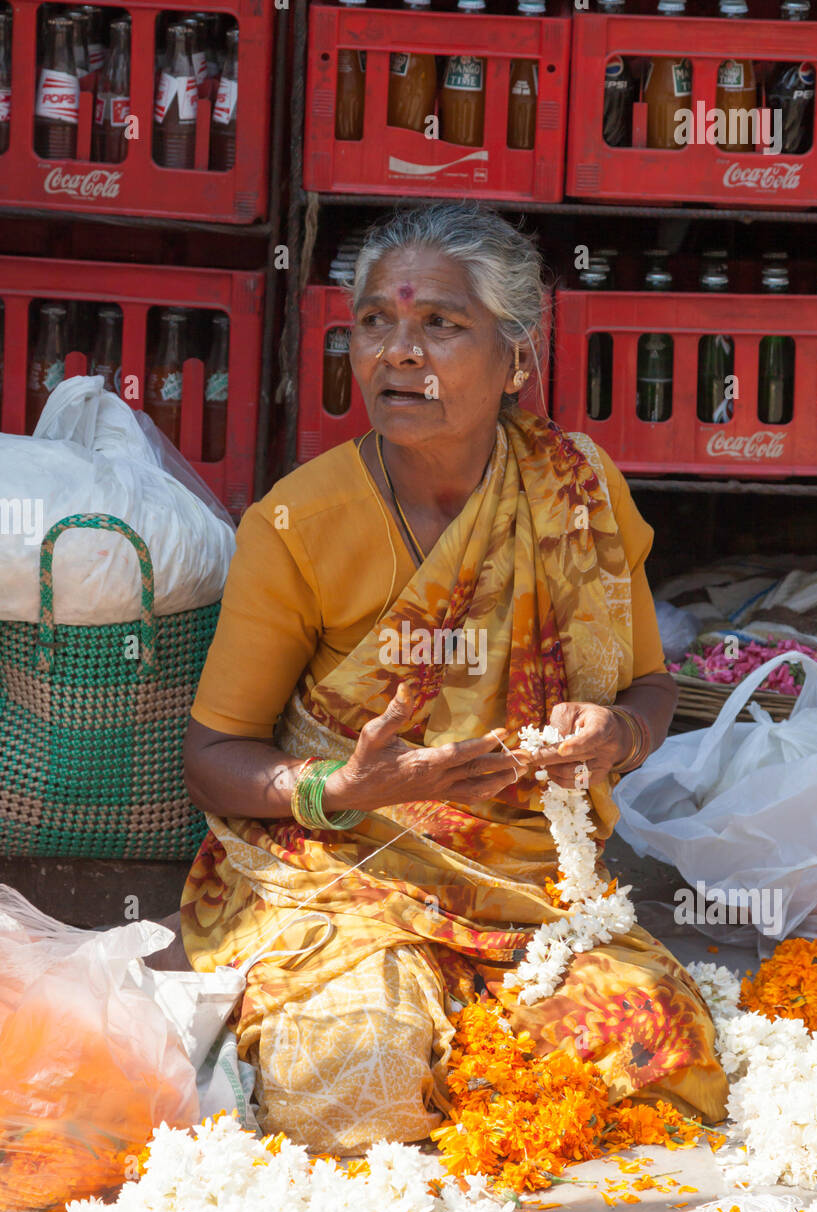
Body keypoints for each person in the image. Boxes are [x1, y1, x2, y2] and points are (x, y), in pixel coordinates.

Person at [181, 202, 728, 1155]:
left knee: (654, 1055)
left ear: (517, 358)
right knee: (354, 1083)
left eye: (440, 323)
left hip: (529, 891)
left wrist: (615, 735)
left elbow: (648, 687)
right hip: (341, 876)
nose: (399, 352)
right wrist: (337, 790)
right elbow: (214, 755)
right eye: (377, 325)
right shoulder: (295, 523)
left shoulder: (577, 491)